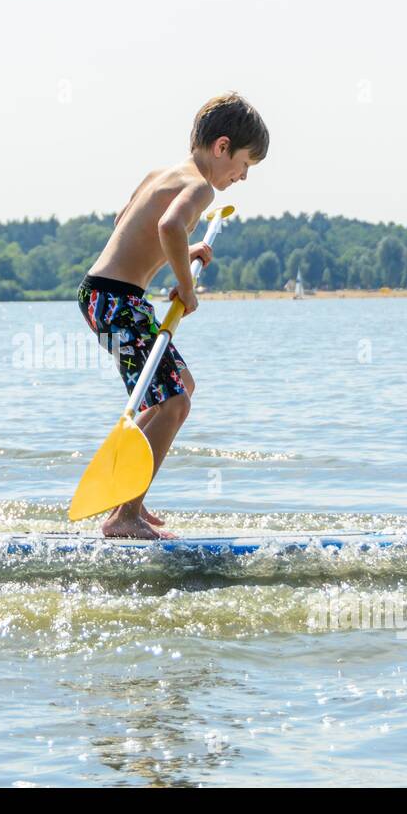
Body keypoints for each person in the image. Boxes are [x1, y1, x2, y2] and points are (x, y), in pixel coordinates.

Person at [76, 92, 269, 538]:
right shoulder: (200, 187)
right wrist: (184, 282)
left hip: (105, 295)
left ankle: (126, 499)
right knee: (174, 400)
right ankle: (124, 516)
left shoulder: (160, 174)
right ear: (222, 147)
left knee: (178, 390)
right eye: (244, 165)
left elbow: (129, 222)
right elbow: (166, 228)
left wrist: (183, 250)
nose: (242, 176)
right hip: (117, 299)